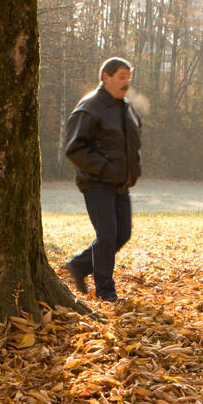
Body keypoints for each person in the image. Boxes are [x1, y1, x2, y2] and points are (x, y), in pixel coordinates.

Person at [63, 57, 142, 303]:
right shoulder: (90, 106)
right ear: (105, 77)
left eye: (128, 77)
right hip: (96, 182)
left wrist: (133, 168)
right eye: (121, 76)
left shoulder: (126, 107)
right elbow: (74, 149)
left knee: (122, 234)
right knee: (107, 234)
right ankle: (106, 291)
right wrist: (106, 168)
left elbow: (135, 139)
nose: (126, 82)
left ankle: (78, 265)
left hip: (121, 183)